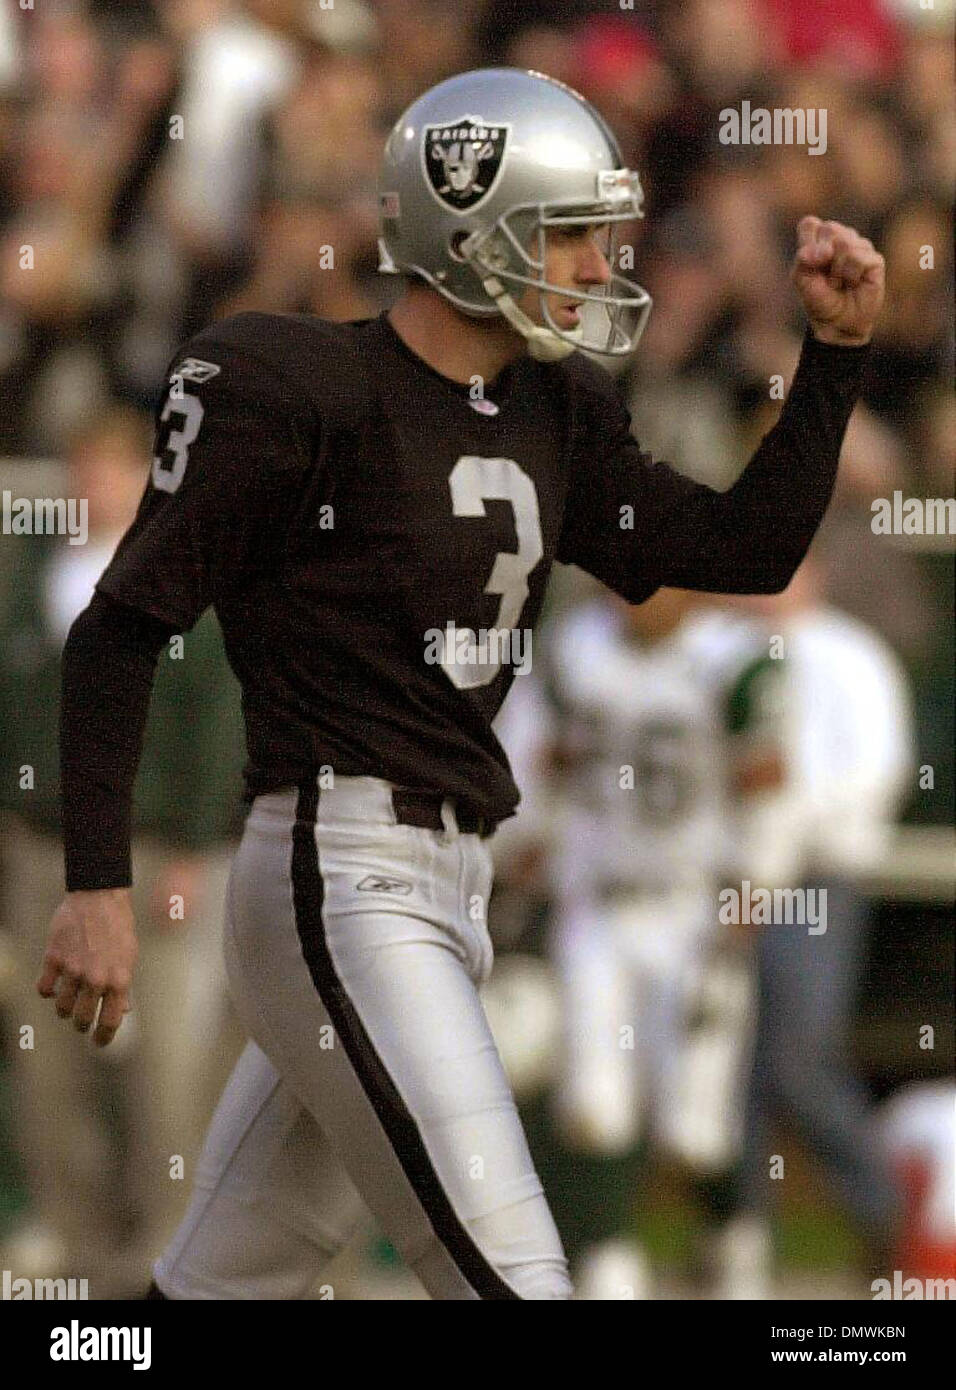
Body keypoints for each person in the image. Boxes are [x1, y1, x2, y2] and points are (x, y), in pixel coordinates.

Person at [38, 67, 884, 1301]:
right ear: (477, 233)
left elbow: (736, 551)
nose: (599, 267)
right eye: (573, 235)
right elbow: (119, 628)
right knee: (515, 1278)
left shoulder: (555, 405)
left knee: (222, 1284)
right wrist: (96, 885)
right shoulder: (295, 390)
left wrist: (834, 356)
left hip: (449, 883)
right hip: (340, 870)